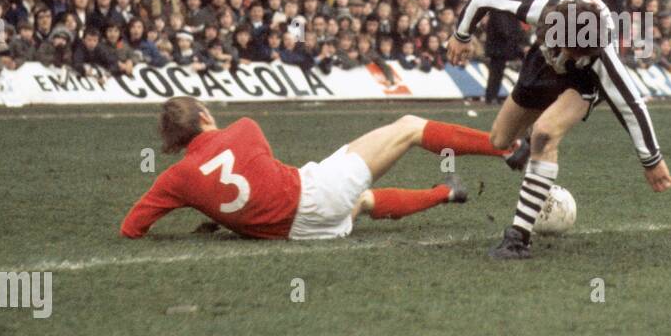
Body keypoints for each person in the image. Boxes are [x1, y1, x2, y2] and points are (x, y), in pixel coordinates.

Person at [447, 0, 671, 260]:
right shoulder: (539, 3)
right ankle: (530, 146)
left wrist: (651, 159)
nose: (567, 55)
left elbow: (630, 104)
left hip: (583, 80)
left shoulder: (603, 54)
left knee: (545, 133)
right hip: (542, 62)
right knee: (500, 139)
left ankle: (518, 239)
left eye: (573, 53)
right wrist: (462, 35)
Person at [120, 96, 517, 240]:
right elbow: (260, 176)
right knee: (409, 127)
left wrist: (213, 212)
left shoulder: (176, 179)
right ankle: (507, 148)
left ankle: (446, 192)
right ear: (204, 114)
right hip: (311, 194)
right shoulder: (243, 128)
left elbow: (131, 228)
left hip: (297, 233)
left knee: (359, 200)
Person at [481, 0, 526, 103]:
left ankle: (493, 96)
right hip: (501, 29)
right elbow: (498, 8)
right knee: (497, 67)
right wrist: (508, 32)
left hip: (510, 28)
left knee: (500, 67)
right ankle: (491, 96)